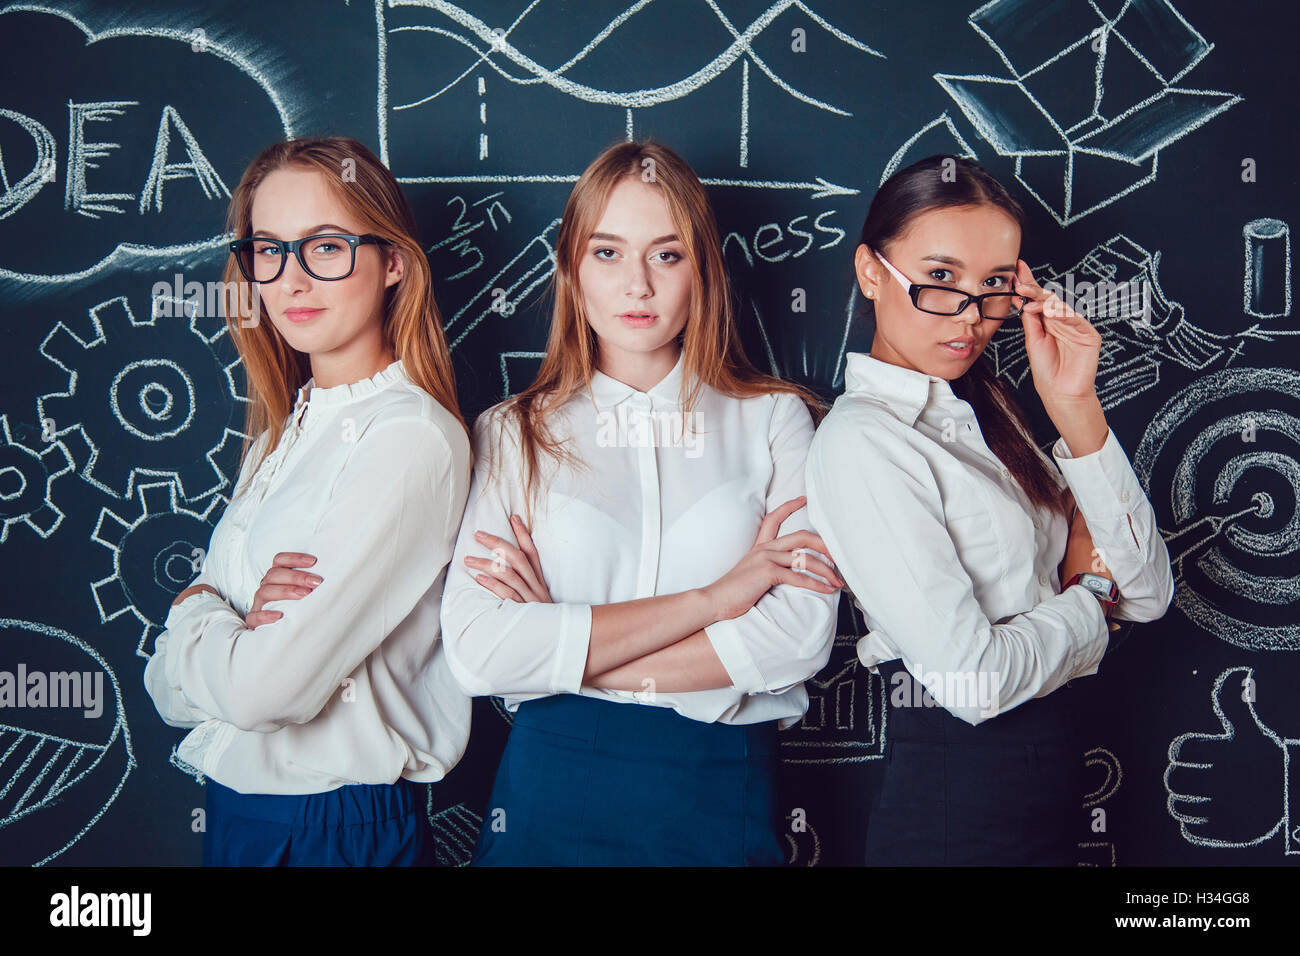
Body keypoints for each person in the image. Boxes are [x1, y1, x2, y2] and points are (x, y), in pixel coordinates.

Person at [439, 140, 843, 866]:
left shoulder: (777, 418)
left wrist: (559, 646)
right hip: (552, 781)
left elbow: (799, 637)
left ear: (702, 270)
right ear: (572, 270)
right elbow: (477, 655)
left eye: (666, 254)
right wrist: (718, 599)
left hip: (719, 782)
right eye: (608, 253)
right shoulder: (510, 433)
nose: (639, 287)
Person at [805, 154, 1175, 865]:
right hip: (959, 804)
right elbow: (975, 682)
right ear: (871, 271)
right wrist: (1091, 597)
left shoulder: (994, 425)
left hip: (1049, 786)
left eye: (996, 287)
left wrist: (1075, 408)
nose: (972, 317)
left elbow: (1152, 595)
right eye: (940, 279)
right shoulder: (863, 440)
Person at [143, 136, 472, 866]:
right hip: (240, 816)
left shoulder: (410, 437)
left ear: (393, 262)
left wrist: (197, 608)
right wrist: (225, 633)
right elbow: (163, 691)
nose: (291, 280)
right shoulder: (283, 429)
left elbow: (265, 694)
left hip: (336, 827)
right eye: (269, 250)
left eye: (325, 246)